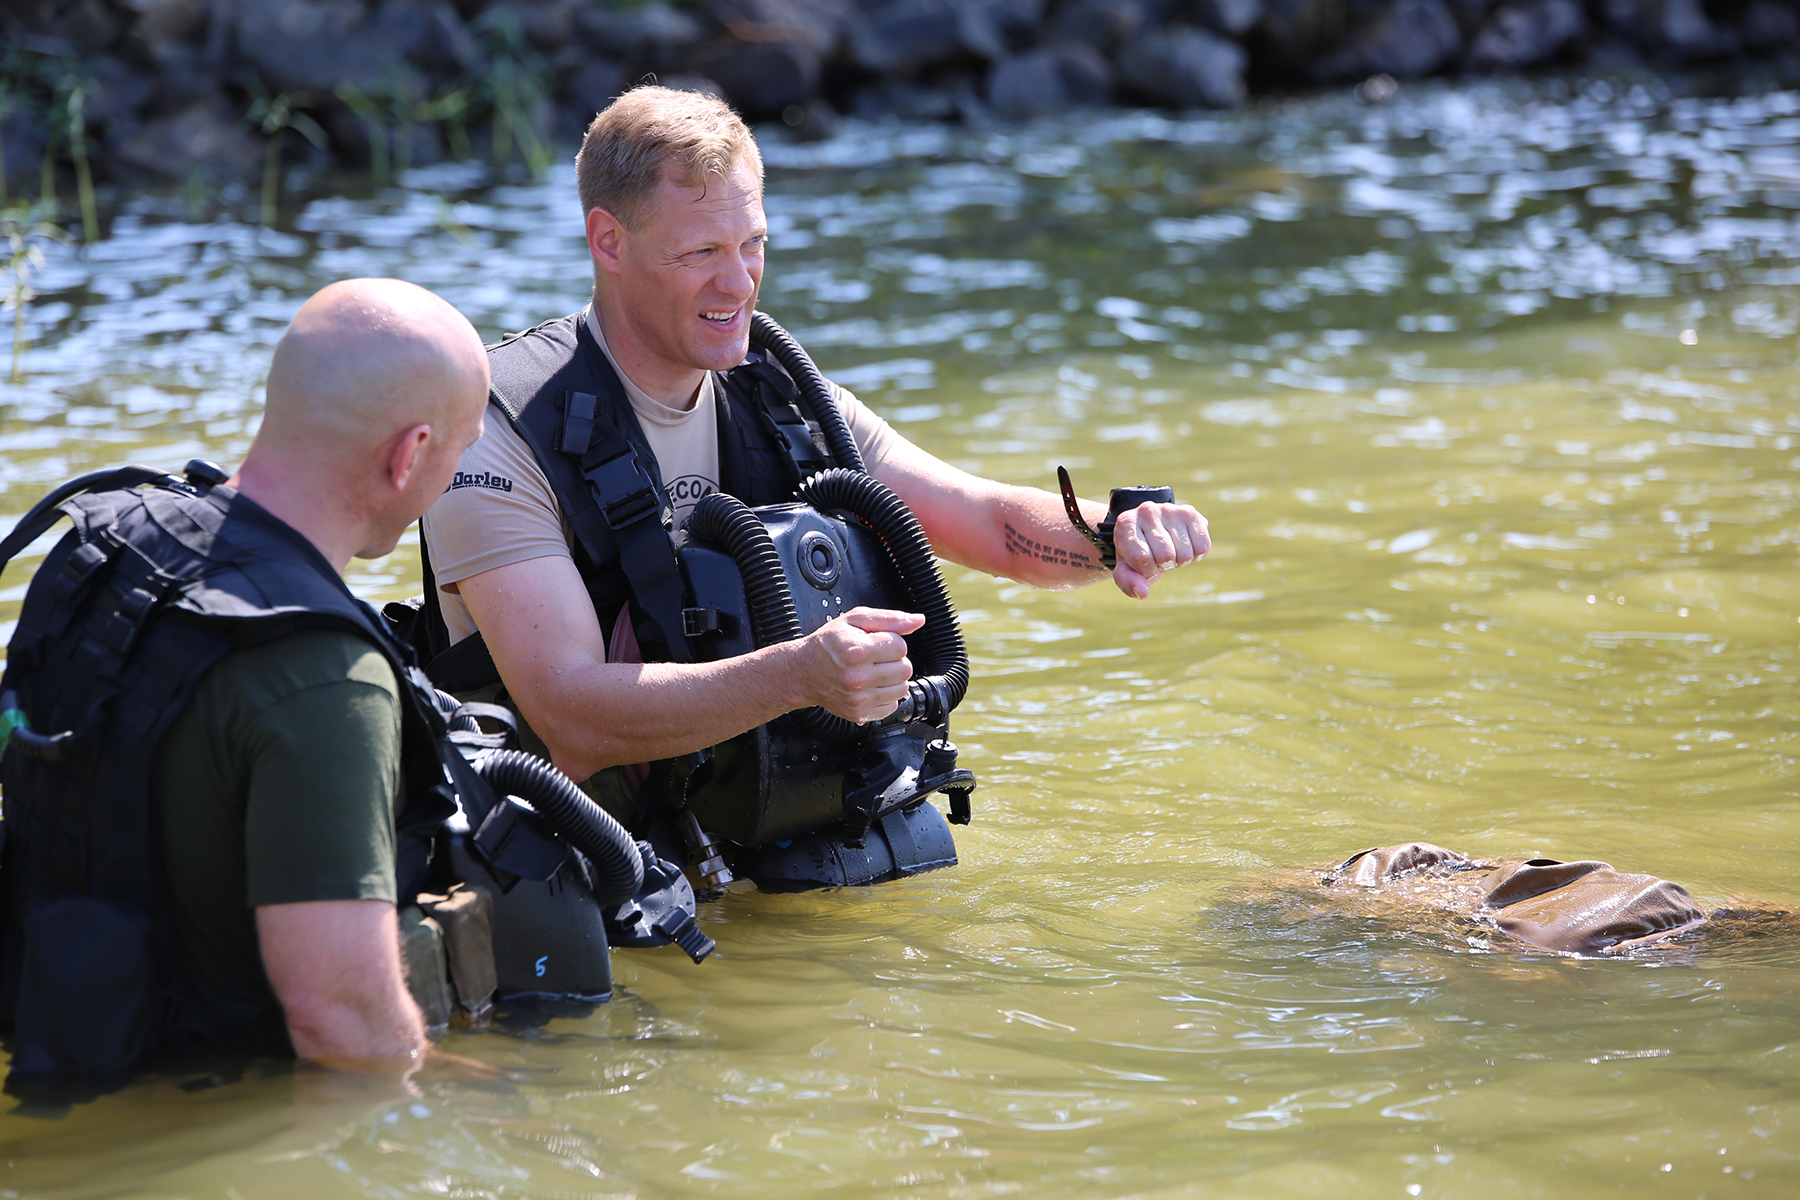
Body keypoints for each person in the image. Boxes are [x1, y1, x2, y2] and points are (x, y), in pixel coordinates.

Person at [420, 87, 1211, 846]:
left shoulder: (781, 397)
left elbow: (984, 523)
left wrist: (1112, 534)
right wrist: (800, 677)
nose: (739, 282)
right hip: (582, 865)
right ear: (609, 242)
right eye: (700, 252)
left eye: (752, 242)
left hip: (749, 838)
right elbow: (571, 718)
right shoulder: (496, 433)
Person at [0, 279, 490, 1077]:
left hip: (59, 1040)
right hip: (198, 1121)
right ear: (409, 454)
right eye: (460, 450)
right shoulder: (329, 678)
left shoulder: (105, 546)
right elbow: (341, 1022)